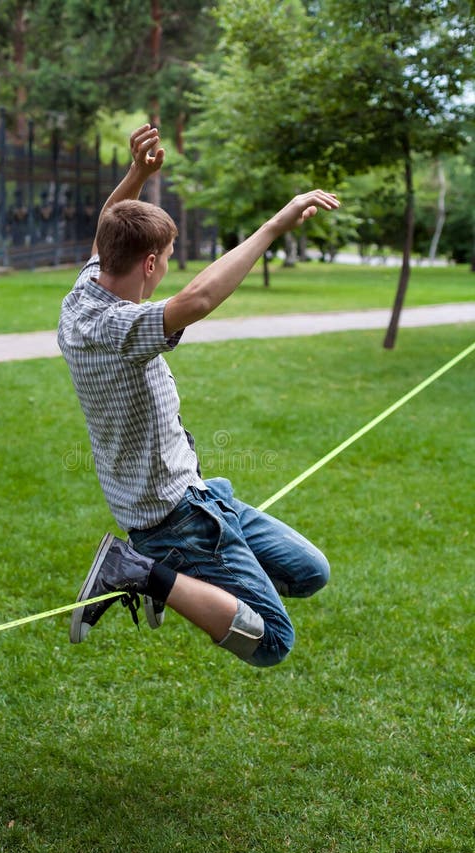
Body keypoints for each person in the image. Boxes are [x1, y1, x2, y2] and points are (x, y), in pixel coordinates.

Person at [58, 123, 339, 667]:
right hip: (175, 518)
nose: (165, 267)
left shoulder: (83, 296)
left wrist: (138, 174)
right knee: (273, 642)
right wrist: (276, 225)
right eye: (164, 257)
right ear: (148, 264)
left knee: (309, 573)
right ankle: (139, 571)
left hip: (199, 491)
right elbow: (201, 296)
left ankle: (165, 573)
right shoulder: (120, 327)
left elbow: (107, 231)